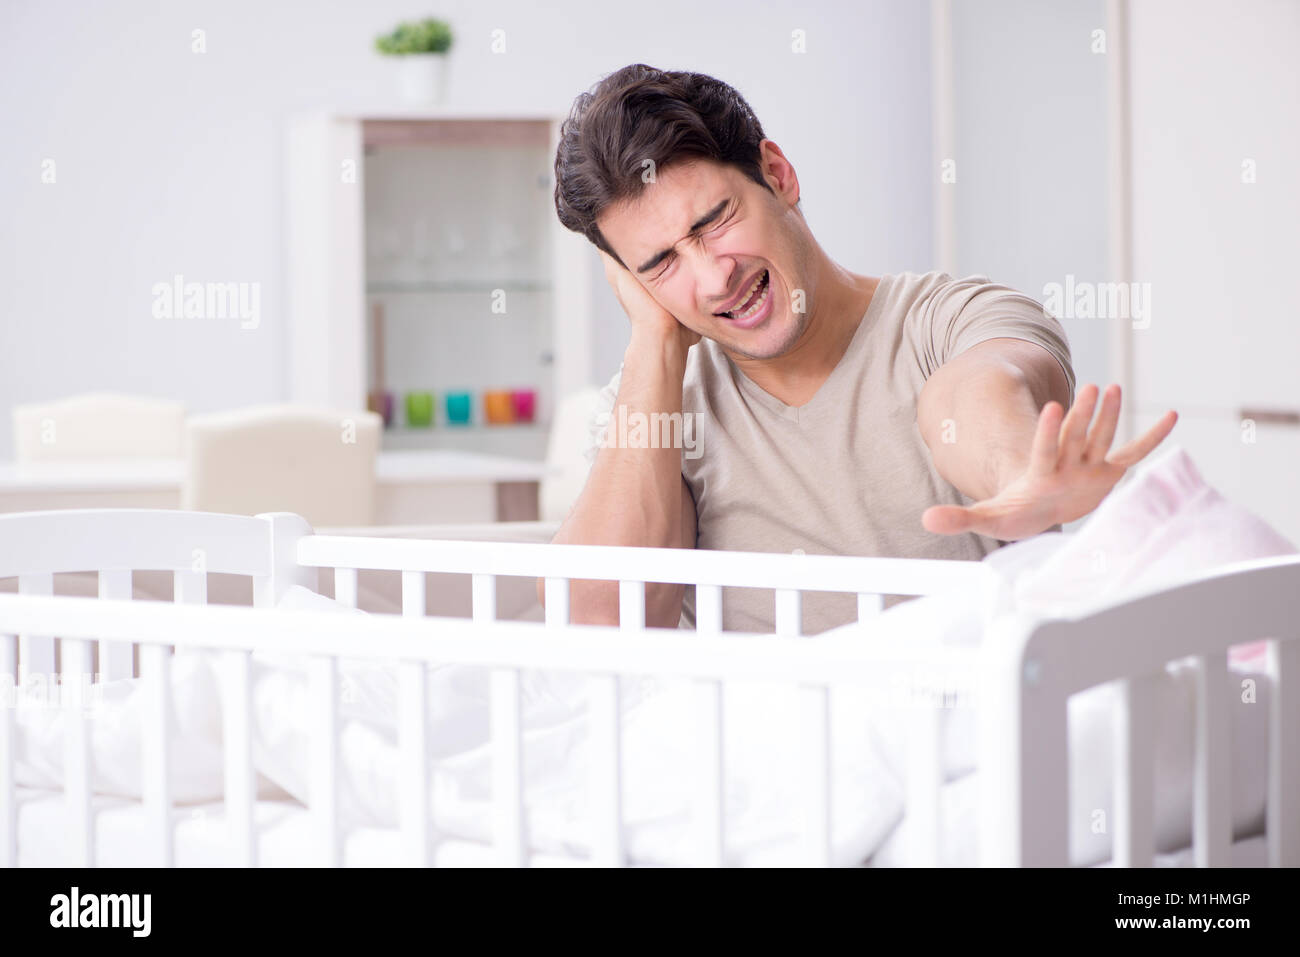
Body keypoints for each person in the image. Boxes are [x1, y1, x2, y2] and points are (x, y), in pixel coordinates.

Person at [541, 64, 1176, 634]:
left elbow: (974, 395)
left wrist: (1019, 473)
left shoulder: (954, 319)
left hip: (952, 746)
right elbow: (596, 623)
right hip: (758, 755)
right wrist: (653, 340)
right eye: (659, 263)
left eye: (713, 222)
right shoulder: (660, 398)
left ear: (778, 175)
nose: (713, 278)